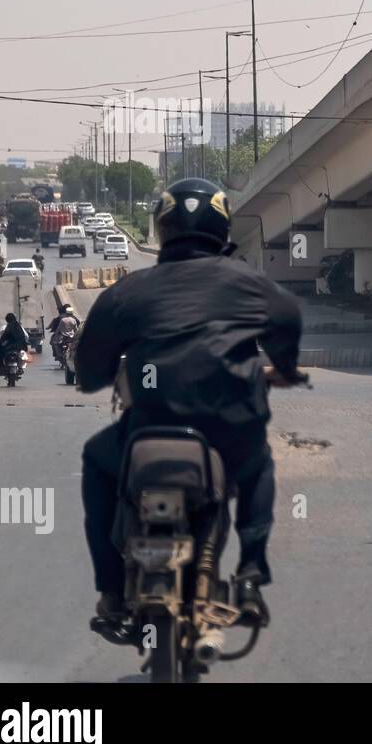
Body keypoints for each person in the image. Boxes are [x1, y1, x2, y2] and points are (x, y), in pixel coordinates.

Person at [75, 178, 304, 621]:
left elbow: (89, 369)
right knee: (259, 466)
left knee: (96, 460)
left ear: (162, 228)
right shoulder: (251, 285)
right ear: (222, 227)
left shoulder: (130, 290)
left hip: (148, 431)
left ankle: (110, 590)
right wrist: (285, 365)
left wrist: (101, 376)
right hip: (231, 431)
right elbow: (288, 315)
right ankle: (251, 575)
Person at [0, 312, 30, 377]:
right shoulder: (19, 326)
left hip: (10, 347)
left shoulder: (6, 327)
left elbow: (1, 336)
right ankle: (20, 368)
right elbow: (26, 336)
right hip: (20, 346)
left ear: (7, 320)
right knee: (23, 354)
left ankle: (0, 368)